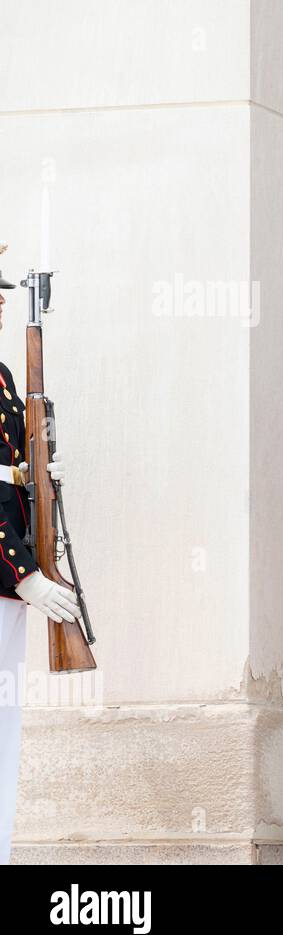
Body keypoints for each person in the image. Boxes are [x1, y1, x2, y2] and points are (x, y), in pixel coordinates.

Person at [0, 249, 78, 865]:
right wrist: (22, 571)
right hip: (5, 576)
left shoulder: (0, 377)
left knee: (6, 736)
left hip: (7, 583)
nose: (1, 298)